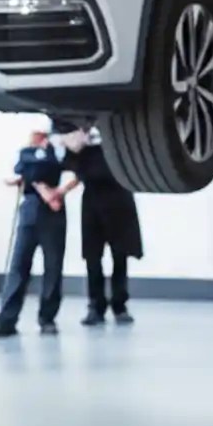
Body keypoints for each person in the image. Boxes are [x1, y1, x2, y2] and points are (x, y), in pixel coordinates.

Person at [0, 125, 68, 338]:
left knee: (53, 266)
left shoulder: (58, 151)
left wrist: (39, 172)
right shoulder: (26, 153)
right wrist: (40, 183)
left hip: (53, 212)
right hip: (31, 210)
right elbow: (24, 168)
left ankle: (47, 319)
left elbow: (47, 166)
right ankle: (6, 320)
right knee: (19, 265)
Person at [57, 126, 143, 326]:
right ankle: (95, 306)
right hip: (92, 200)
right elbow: (69, 164)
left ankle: (119, 305)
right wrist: (72, 143)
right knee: (92, 257)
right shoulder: (83, 140)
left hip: (119, 199)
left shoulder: (121, 142)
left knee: (120, 255)